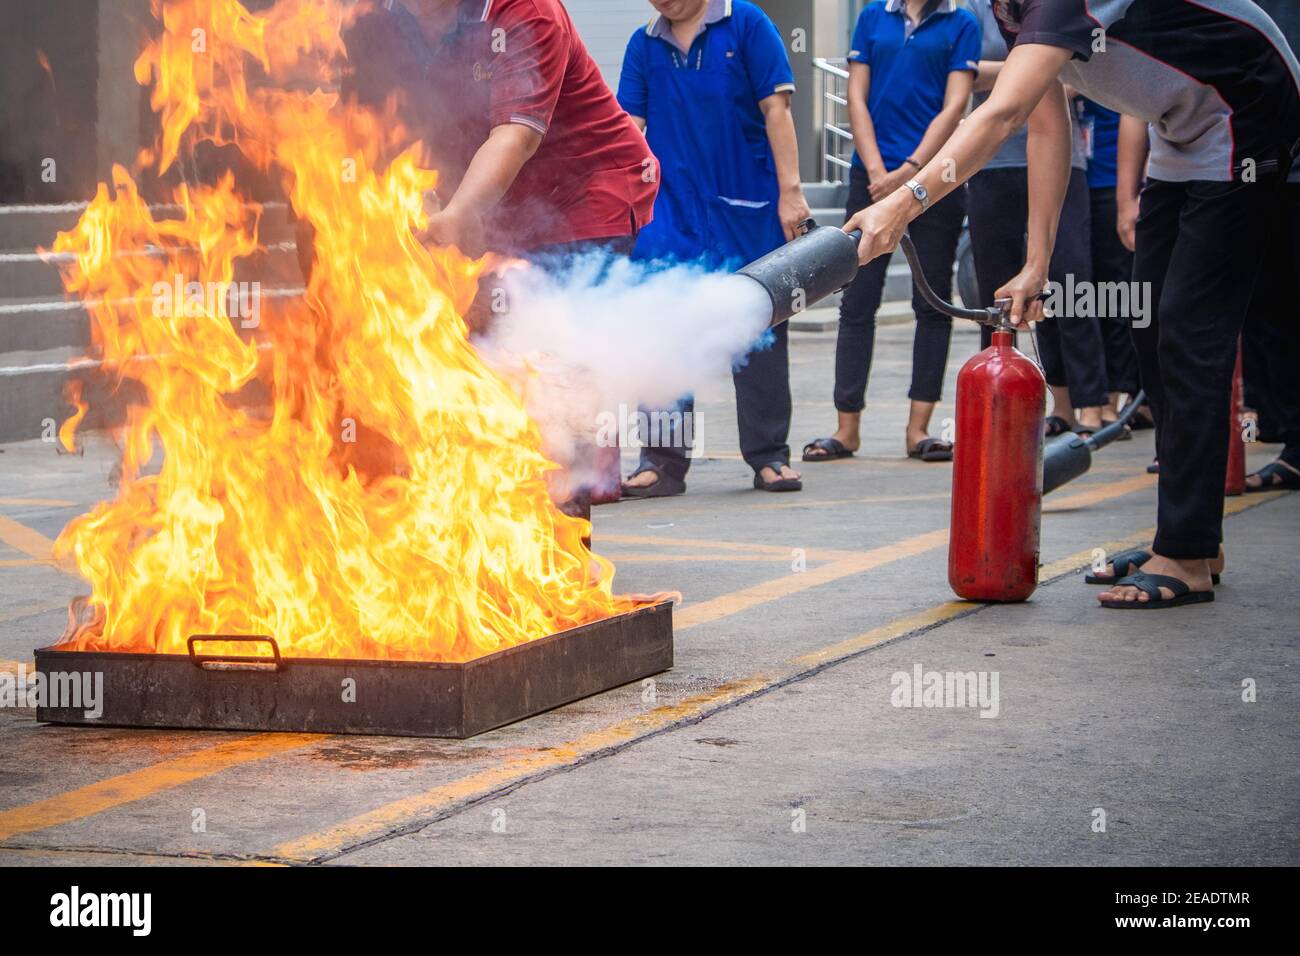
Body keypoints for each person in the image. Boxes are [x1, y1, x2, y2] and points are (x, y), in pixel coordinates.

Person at [844, 0, 1300, 610]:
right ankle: (1194, 536)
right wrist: (1038, 261)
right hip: (1181, 122)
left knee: (1188, 333)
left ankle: (1186, 552)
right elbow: (1042, 123)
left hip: (1247, 106)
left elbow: (1002, 113)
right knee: (1147, 327)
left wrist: (903, 202)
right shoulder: (1007, 9)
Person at [616, 0, 811, 496]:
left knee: (757, 330)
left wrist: (791, 193)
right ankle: (662, 462)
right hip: (671, 211)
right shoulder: (644, 44)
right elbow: (629, 129)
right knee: (665, 328)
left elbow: (777, 110)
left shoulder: (746, 24)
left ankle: (768, 456)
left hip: (745, 204)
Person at [802, 0, 980, 465]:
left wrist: (910, 171)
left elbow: (955, 106)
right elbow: (855, 97)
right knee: (857, 301)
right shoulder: (871, 17)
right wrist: (878, 169)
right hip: (870, 175)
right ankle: (847, 429)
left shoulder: (962, 22)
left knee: (933, 302)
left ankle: (919, 429)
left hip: (936, 178)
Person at [964, 0, 1108, 441]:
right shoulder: (971, 10)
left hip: (1061, 160)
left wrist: (1013, 73)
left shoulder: (1056, 6)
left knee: (1069, 279)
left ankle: (1091, 404)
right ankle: (1035, 404)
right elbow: (959, 74)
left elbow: (1074, 81)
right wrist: (1031, 65)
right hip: (991, 163)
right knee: (1003, 289)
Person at [1078, 94, 1144, 431]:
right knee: (1077, 295)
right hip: (1074, 182)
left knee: (1116, 293)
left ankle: (1114, 399)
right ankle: (1093, 396)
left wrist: (1126, 198)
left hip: (1111, 182)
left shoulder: (1111, 64)